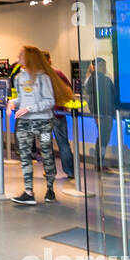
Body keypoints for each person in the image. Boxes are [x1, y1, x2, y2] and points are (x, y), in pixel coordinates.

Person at [8, 46, 74, 205]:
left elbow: (49, 101)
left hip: (43, 122)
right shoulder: (19, 78)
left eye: (22, 54)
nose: (18, 56)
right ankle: (28, 192)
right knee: (24, 155)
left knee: (47, 153)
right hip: (24, 122)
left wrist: (29, 109)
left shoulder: (44, 78)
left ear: (30, 57)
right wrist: (12, 103)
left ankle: (50, 189)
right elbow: (22, 99)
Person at [45, 53, 77, 181]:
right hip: (58, 112)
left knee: (46, 144)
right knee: (63, 143)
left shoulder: (39, 76)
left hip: (44, 113)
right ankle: (70, 171)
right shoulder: (57, 73)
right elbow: (69, 89)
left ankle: (49, 171)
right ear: (49, 60)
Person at [83, 57, 119, 169]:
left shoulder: (106, 80)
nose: (104, 68)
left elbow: (114, 96)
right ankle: (99, 163)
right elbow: (91, 100)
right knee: (103, 138)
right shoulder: (92, 80)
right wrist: (95, 115)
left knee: (105, 138)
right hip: (101, 115)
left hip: (108, 114)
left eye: (104, 65)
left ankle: (100, 162)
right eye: (101, 65)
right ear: (95, 67)